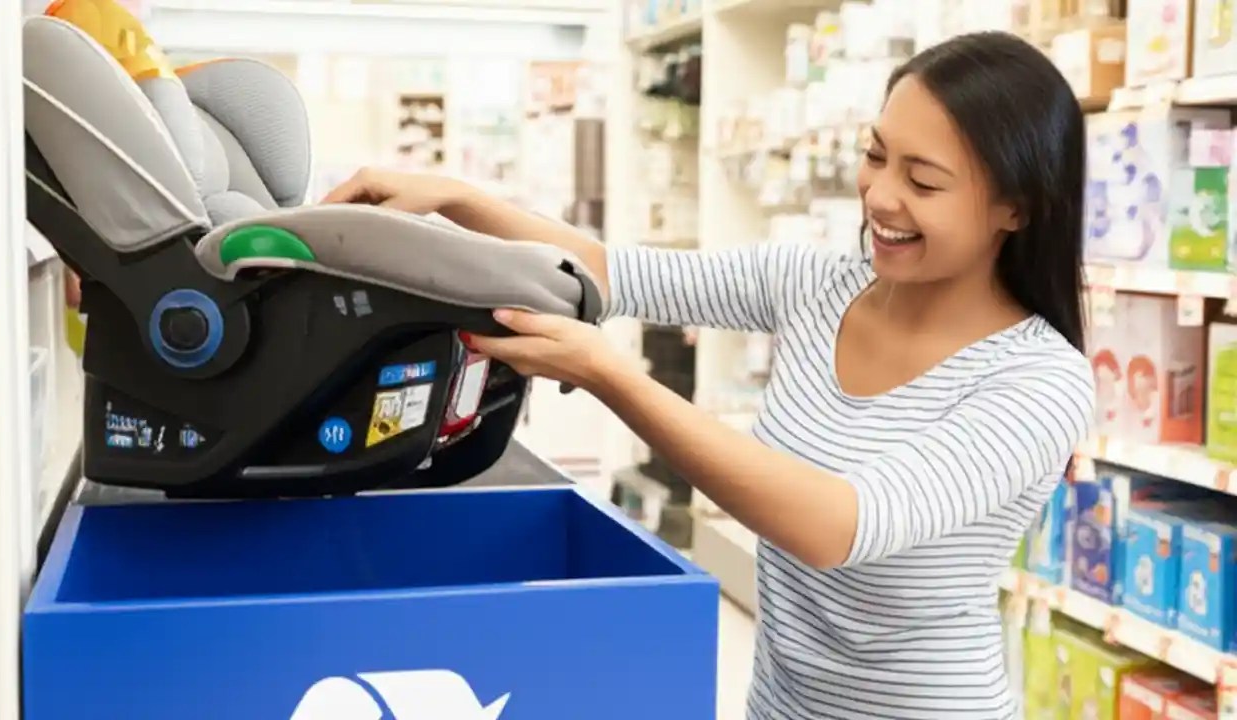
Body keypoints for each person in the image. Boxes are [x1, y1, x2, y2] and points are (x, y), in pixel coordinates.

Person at [328, 30, 1094, 720]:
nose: (881, 196)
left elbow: (834, 526)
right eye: (875, 155)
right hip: (779, 705)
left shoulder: (1038, 383)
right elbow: (610, 273)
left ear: (1016, 210)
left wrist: (609, 374)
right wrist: (457, 201)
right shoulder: (822, 286)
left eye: (923, 182)